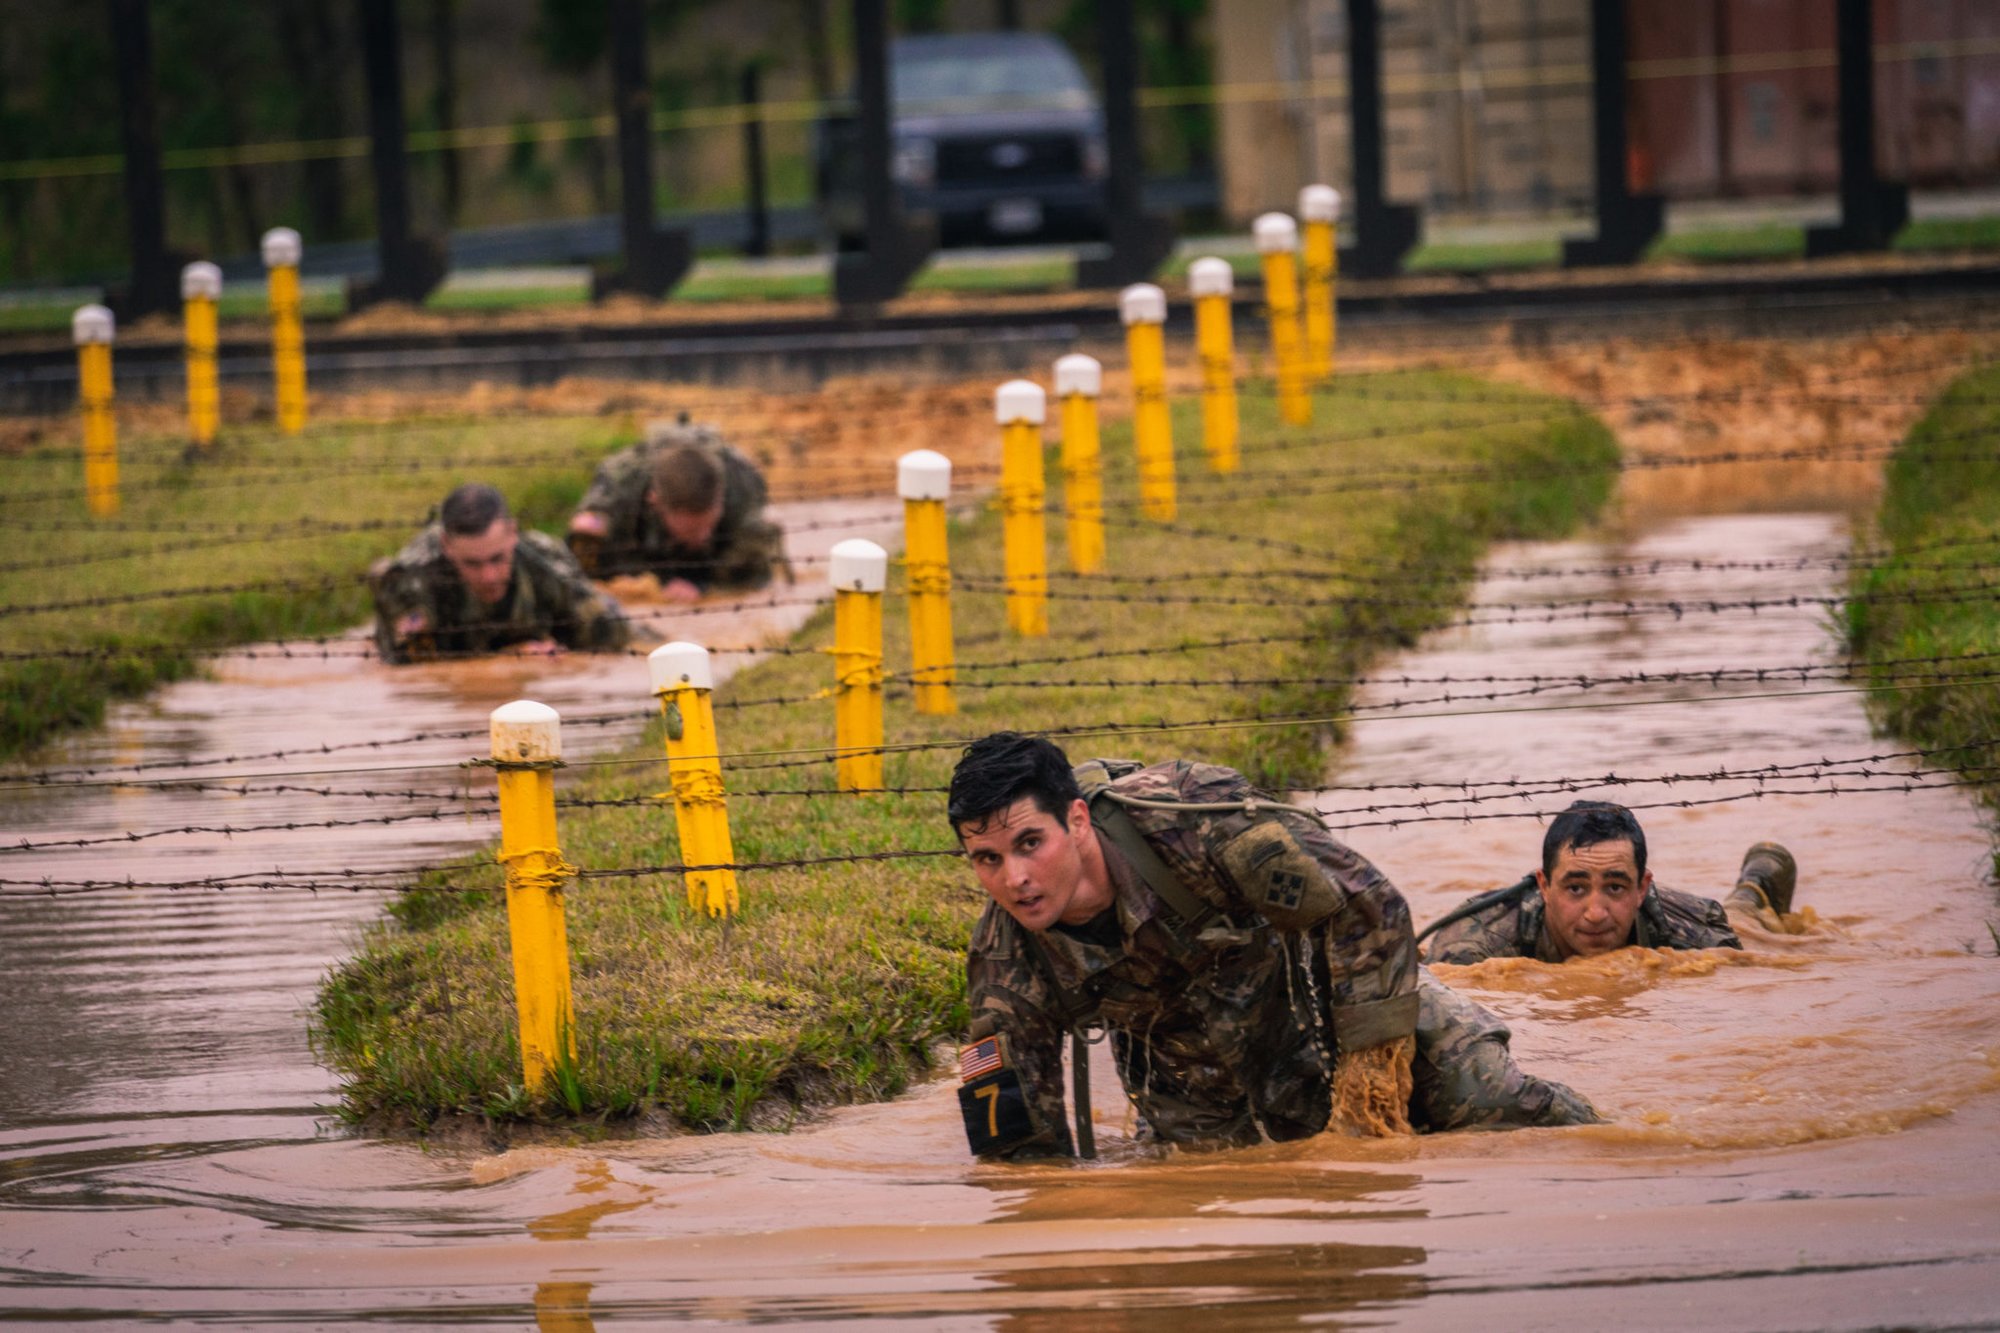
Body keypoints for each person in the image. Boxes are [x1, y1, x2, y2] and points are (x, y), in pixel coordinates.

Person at [950, 732, 1601, 1160]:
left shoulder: (1192, 823)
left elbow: (1367, 905)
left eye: (1030, 843)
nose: (1015, 879)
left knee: (1495, 1105)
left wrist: (1368, 1094)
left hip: (1340, 1014)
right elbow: (1018, 1155)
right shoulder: (1006, 961)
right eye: (987, 858)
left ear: (1076, 819)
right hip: (1199, 1092)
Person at [1421, 800, 1798, 966]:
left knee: (1745, 919)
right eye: (1575, 888)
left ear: (1642, 888)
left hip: (1672, 918)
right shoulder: (1471, 949)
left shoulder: (1700, 936)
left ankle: (1756, 884)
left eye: (1615, 888)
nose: (1596, 913)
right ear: (1544, 886)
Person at [369, 482, 632, 664]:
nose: (489, 576)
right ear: (446, 546)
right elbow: (411, 671)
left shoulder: (544, 561)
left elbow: (612, 634)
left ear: (512, 533)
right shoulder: (411, 582)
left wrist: (561, 656)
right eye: (472, 564)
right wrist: (505, 662)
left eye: (497, 559)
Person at [565, 417, 785, 603]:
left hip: (718, 557)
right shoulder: (621, 483)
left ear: (721, 498)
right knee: (588, 533)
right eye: (691, 530)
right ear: (655, 502)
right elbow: (584, 539)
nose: (703, 536)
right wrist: (645, 584)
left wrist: (706, 589)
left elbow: (754, 575)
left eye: (708, 526)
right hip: (643, 549)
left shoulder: (742, 483)